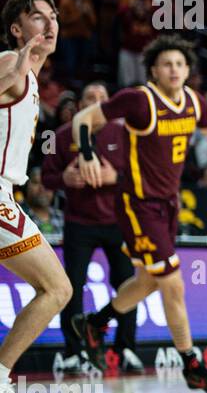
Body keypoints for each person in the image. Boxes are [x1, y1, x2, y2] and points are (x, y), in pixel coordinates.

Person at [69, 35, 207, 393]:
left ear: (188, 70)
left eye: (179, 64)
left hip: (168, 204)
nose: (174, 69)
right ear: (154, 71)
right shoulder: (139, 100)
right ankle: (192, 365)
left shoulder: (192, 101)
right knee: (173, 283)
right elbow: (83, 118)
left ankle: (95, 323)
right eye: (166, 64)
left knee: (147, 282)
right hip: (138, 204)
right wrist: (87, 153)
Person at [0, 0, 73, 393]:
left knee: (55, 288)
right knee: (57, 287)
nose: (49, 24)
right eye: (37, 17)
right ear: (16, 29)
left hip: (7, 193)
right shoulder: (10, 62)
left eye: (54, 17)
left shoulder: (32, 81)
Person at [44, 81, 142, 373]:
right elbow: (46, 177)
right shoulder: (61, 136)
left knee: (128, 284)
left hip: (119, 221)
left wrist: (117, 178)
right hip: (79, 223)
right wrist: (64, 179)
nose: (96, 101)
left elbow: (141, 176)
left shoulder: (125, 133)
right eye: (90, 97)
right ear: (80, 105)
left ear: (110, 105)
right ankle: (74, 352)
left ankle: (126, 349)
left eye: (102, 97)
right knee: (71, 288)